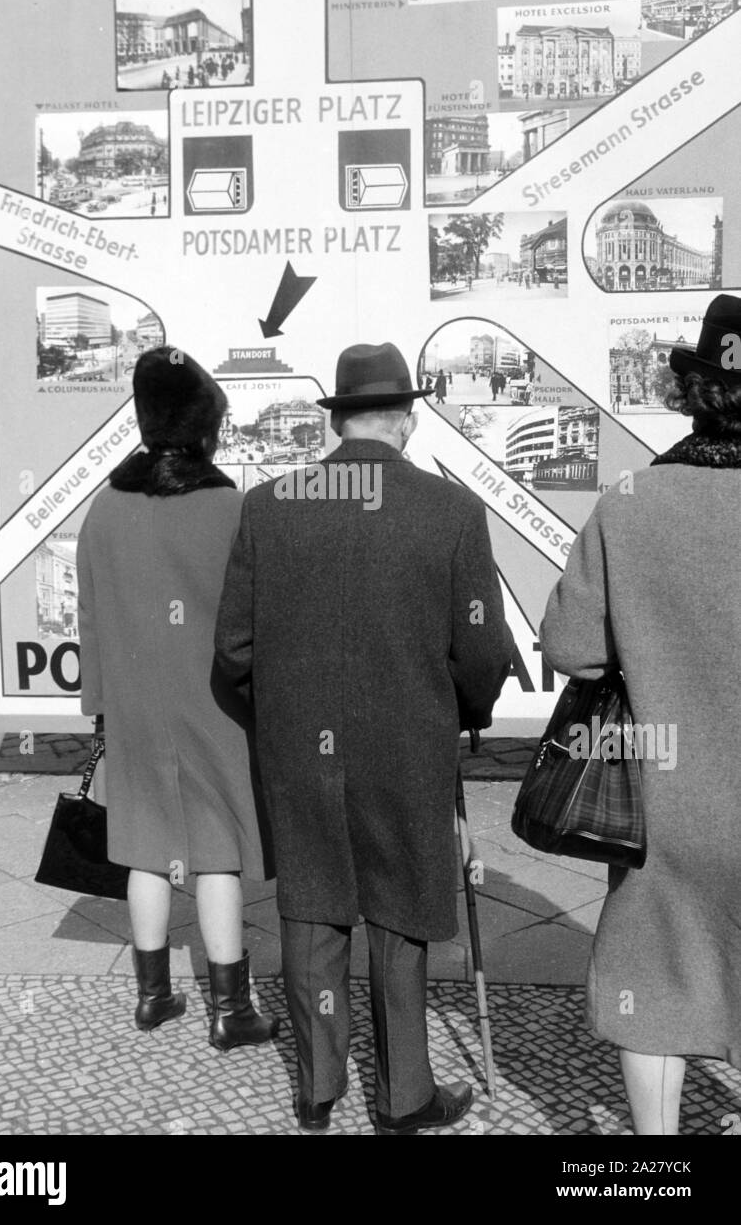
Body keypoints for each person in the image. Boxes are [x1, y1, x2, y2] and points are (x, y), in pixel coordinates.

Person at [215, 342, 513, 1134]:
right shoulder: (450, 511)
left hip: (298, 745)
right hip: (408, 742)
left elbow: (234, 652)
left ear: (339, 421)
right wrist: (462, 710)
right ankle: (405, 1095)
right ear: (406, 423)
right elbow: (482, 649)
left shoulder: (269, 505)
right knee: (400, 914)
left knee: (313, 905)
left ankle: (317, 1089)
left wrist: (279, 718)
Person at [539, 294, 741, 1135]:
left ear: (692, 392)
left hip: (666, 807)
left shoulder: (631, 500)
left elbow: (570, 648)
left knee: (651, 983)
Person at [77, 346, 279, 1050]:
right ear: (204, 427)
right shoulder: (231, 506)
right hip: (218, 704)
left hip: (133, 704)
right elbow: (255, 619)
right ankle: (232, 1009)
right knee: (217, 846)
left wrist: (99, 704)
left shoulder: (104, 510)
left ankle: (153, 998)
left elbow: (92, 619)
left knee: (144, 845)